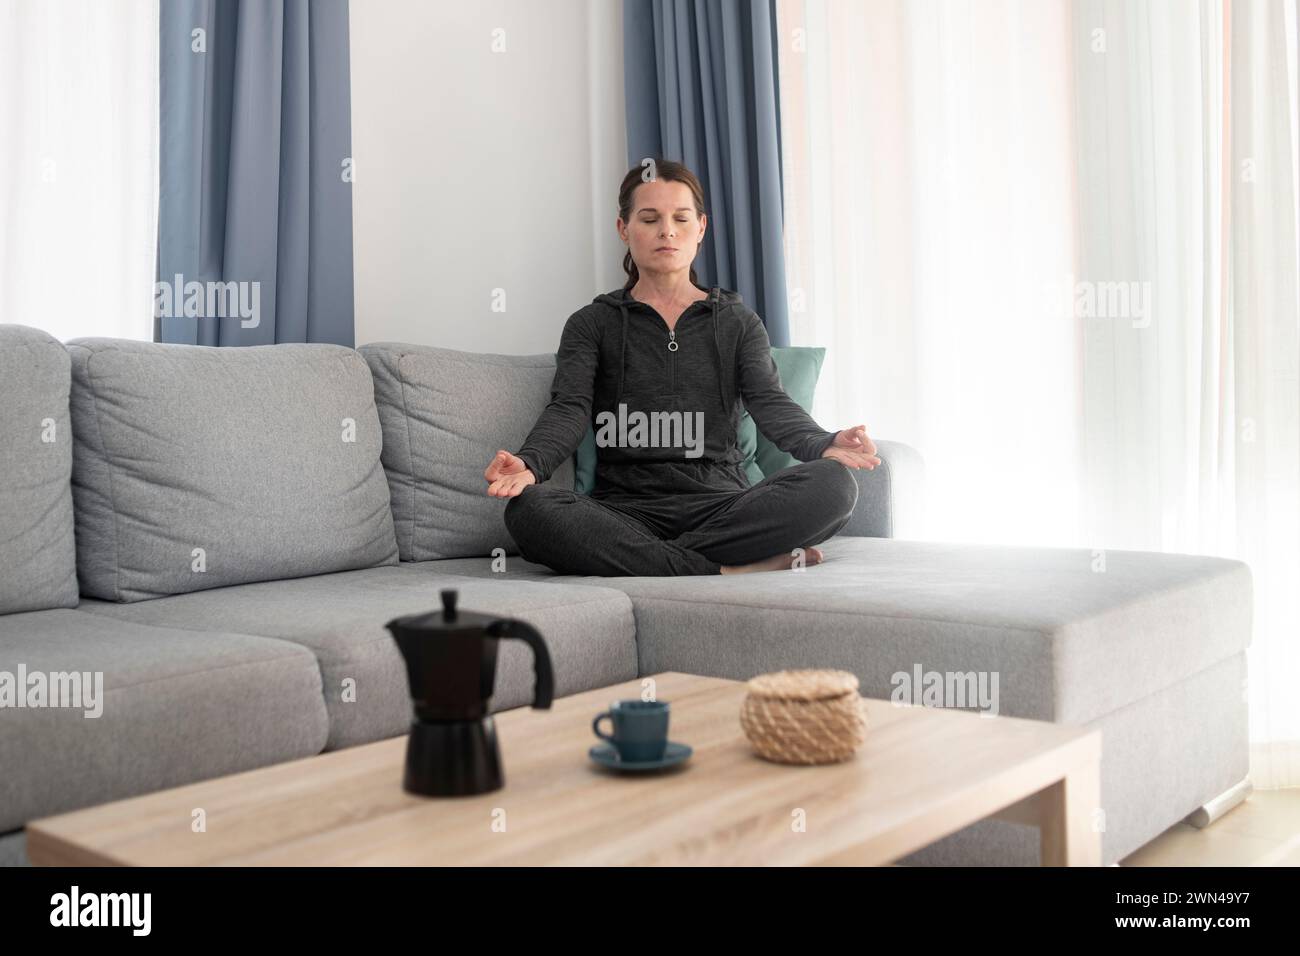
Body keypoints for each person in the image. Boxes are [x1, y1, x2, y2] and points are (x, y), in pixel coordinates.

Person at [484, 159, 880, 575]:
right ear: (624, 229)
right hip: (626, 513)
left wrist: (823, 442)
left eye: (680, 218)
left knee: (834, 486)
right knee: (528, 509)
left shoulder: (737, 321)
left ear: (701, 228)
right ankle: (727, 568)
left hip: (724, 507)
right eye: (650, 218)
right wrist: (530, 463)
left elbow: (770, 403)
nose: (667, 231)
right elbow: (569, 408)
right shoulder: (591, 324)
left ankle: (656, 561)